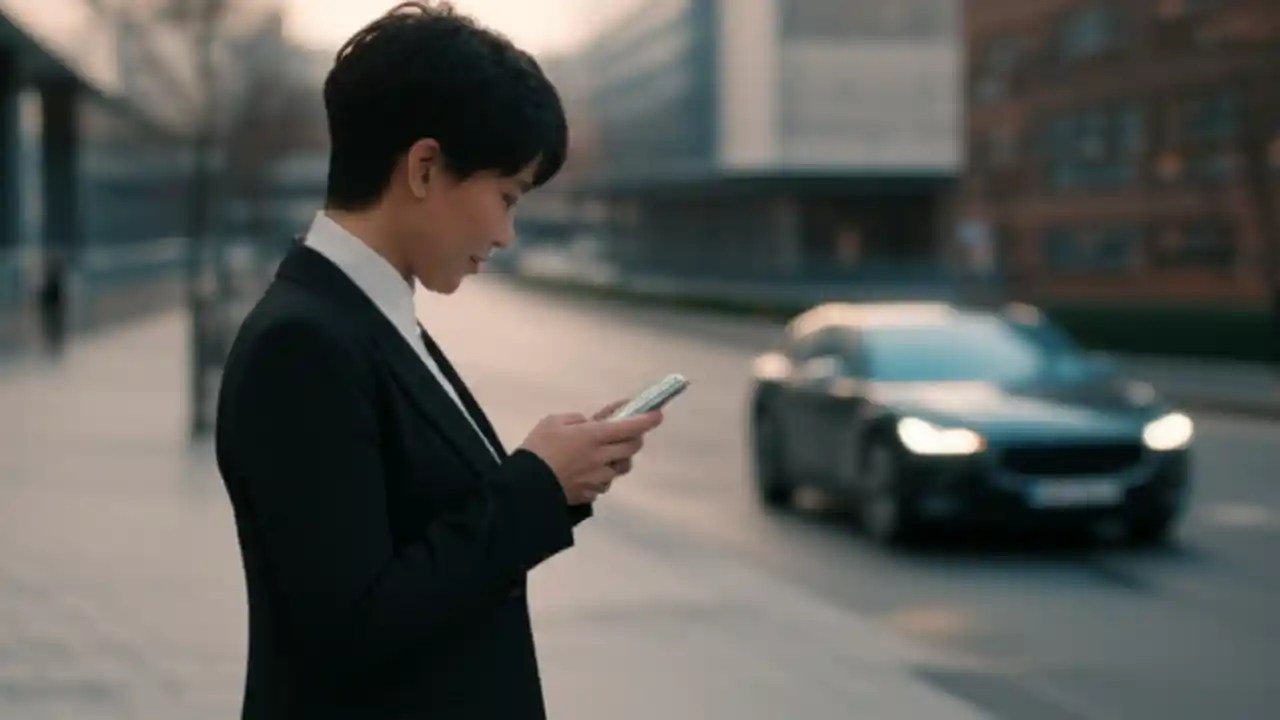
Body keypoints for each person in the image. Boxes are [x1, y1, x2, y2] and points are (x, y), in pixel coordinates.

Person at [213, 4, 663, 718]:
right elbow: (351, 625)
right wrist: (534, 486)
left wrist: (562, 481)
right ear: (424, 167)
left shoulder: (367, 319)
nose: (508, 234)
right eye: (506, 196)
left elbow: (423, 544)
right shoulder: (302, 346)